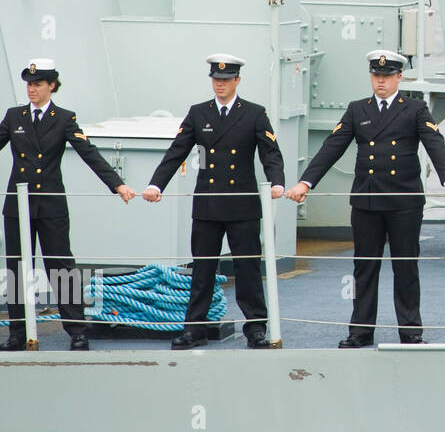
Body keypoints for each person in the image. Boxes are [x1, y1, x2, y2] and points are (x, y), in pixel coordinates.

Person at [286, 50, 445, 347]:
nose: (380, 81)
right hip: (367, 202)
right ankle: (360, 330)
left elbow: (435, 144)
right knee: (364, 268)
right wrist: (306, 182)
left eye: (387, 76)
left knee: (405, 266)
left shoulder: (415, 109)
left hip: (404, 202)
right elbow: (332, 147)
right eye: (376, 76)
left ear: (399, 78)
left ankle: (410, 330)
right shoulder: (358, 110)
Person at [142, 54, 285, 349]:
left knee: (247, 269)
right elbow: (177, 151)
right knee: (203, 268)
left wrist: (277, 182)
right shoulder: (198, 113)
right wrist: (156, 184)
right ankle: (195, 328)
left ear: (237, 81)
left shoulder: (255, 114)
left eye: (226, 80)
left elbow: (270, 152)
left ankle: (256, 327)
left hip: (242, 204)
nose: (220, 85)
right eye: (216, 80)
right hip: (207, 203)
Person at [1, 59, 136, 351]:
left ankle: (76, 330)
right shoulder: (14, 117)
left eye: (38, 84)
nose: (32, 89)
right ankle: (17, 332)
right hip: (18, 207)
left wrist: (118, 185)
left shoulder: (63, 118)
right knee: (17, 269)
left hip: (50, 206)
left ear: (52, 86)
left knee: (61, 267)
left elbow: (89, 153)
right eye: (29, 84)